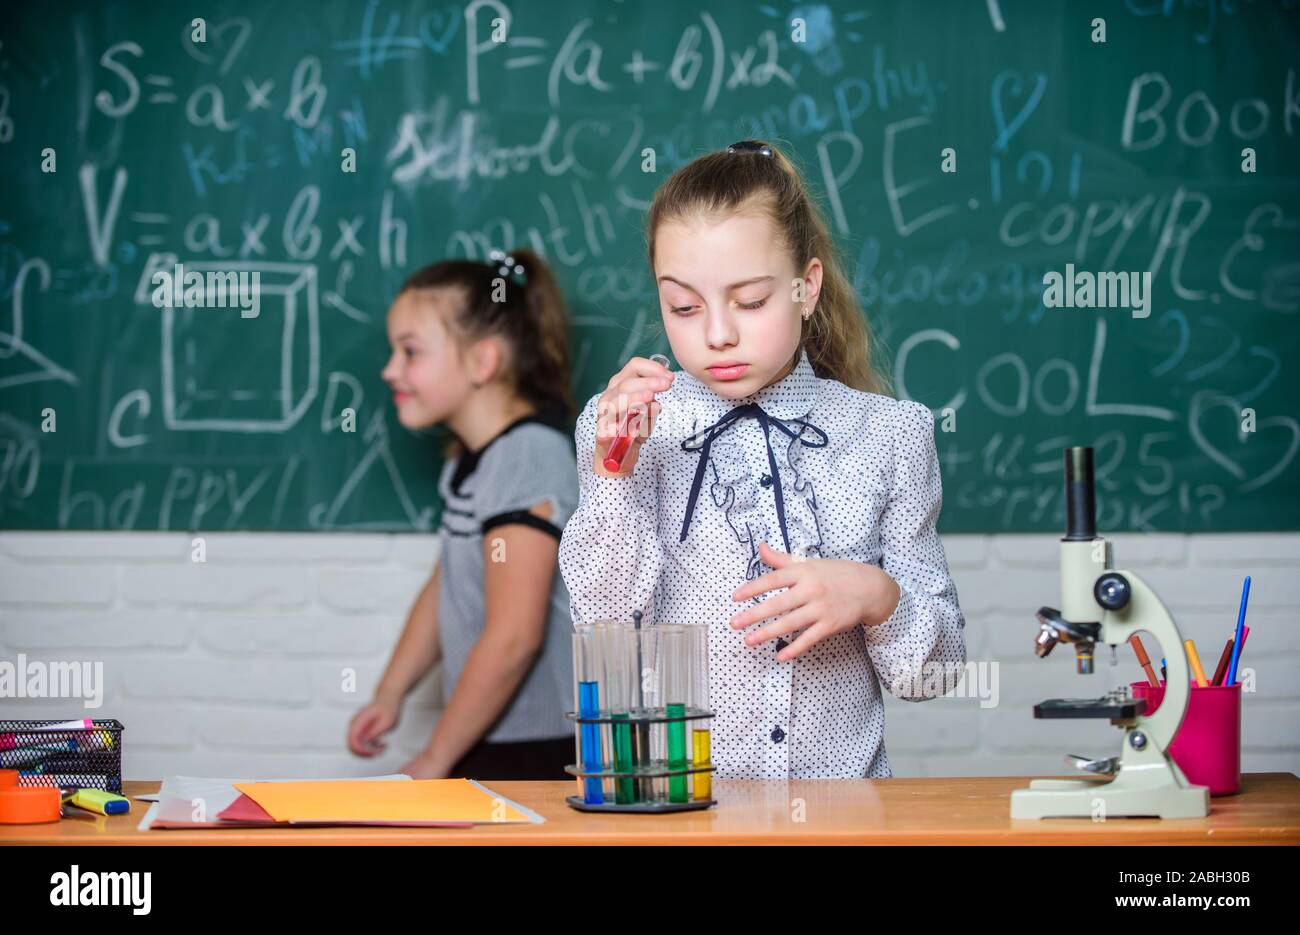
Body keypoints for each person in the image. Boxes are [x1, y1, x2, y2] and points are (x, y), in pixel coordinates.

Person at [558, 141, 967, 779]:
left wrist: (877, 596)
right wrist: (612, 477)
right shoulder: (628, 427)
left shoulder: (891, 435)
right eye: (684, 308)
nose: (718, 333)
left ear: (807, 286)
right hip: (683, 816)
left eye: (750, 302)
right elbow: (604, 618)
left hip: (844, 824)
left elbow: (932, 677)